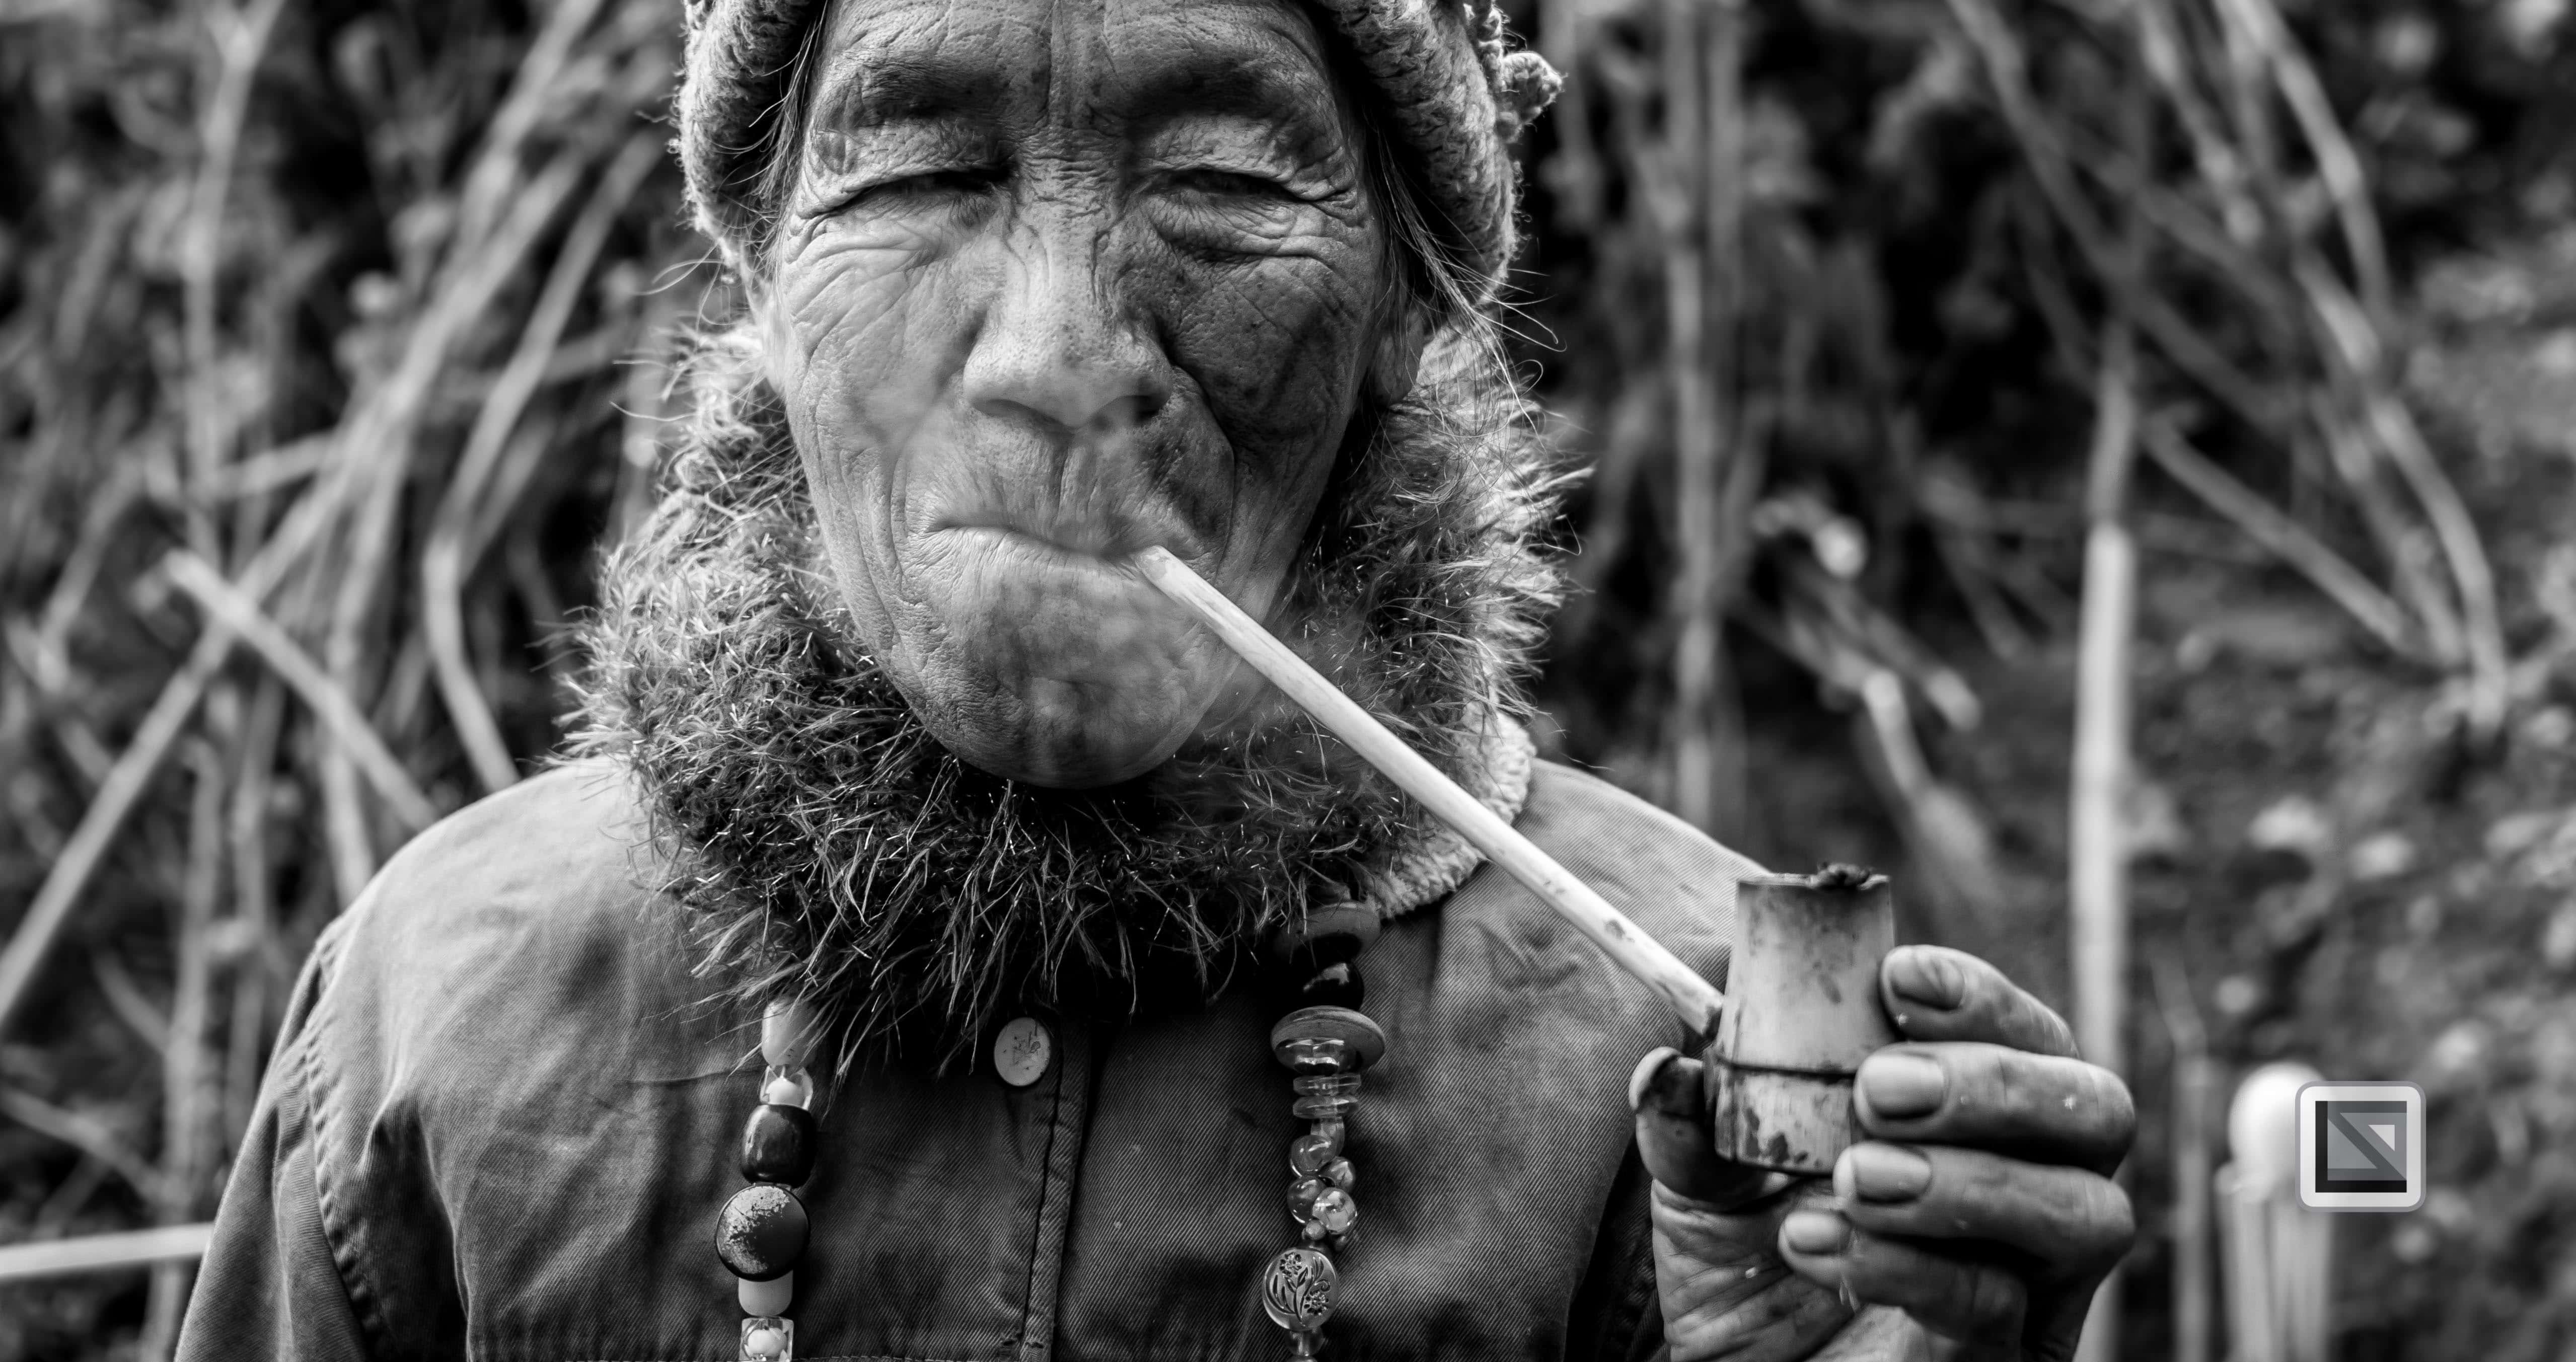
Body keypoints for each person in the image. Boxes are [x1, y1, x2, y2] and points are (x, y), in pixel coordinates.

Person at [177, 1, 2135, 1357]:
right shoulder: (431, 1021)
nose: (1047, 351)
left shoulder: (1706, 1100)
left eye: (1215, 178)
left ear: (1404, 310)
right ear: (761, 292)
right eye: (917, 170)